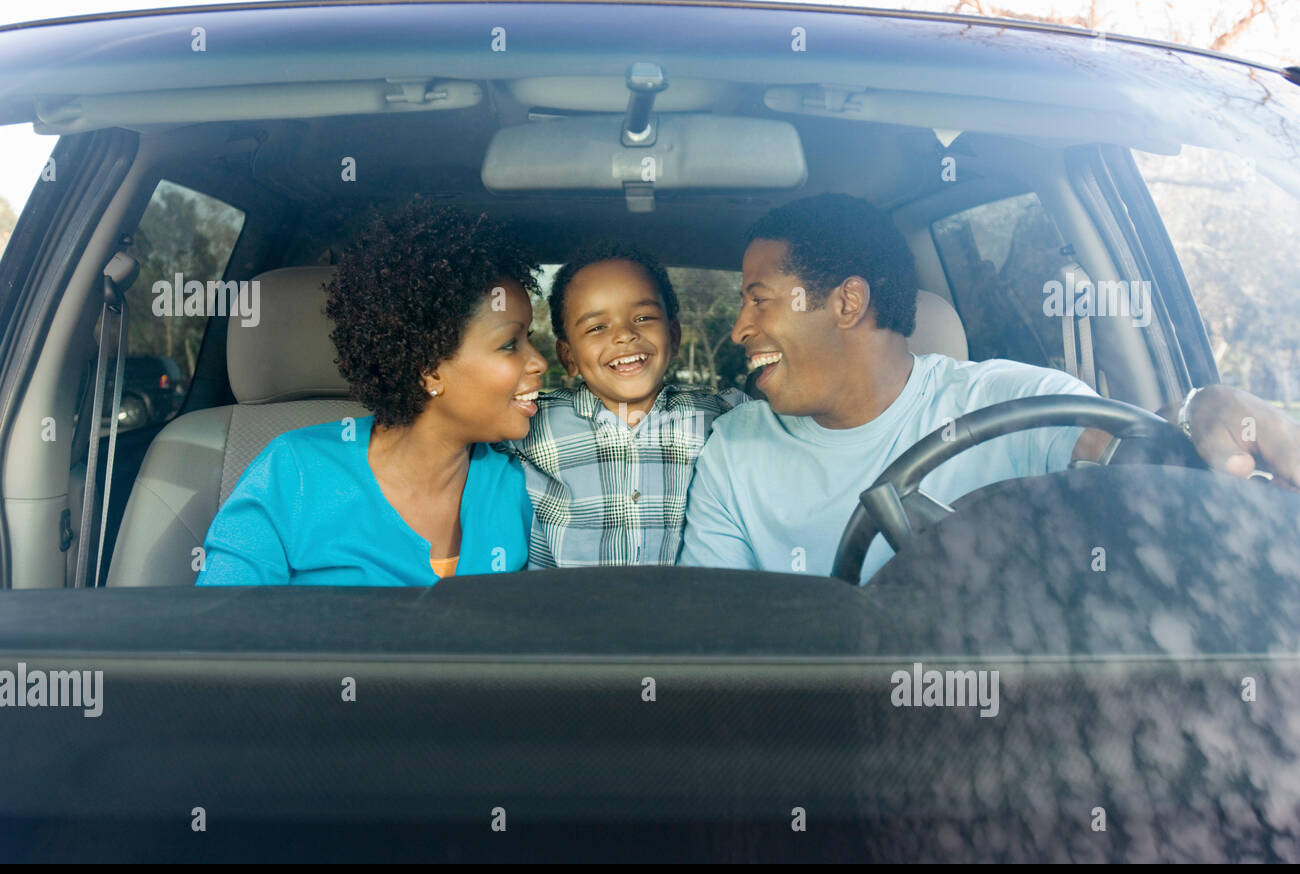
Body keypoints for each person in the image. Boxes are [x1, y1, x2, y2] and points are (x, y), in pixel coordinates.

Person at [679, 193, 1300, 582]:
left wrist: (1204, 408)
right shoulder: (735, 449)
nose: (738, 328)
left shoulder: (1010, 403)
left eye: (757, 301)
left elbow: (1130, 451)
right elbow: (717, 635)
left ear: (848, 303)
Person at [197, 201, 547, 585]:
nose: (539, 363)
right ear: (430, 369)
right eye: (510, 345)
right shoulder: (292, 473)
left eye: (528, 339)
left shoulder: (520, 482)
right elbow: (219, 629)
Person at [508, 243, 745, 567]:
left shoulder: (718, 416)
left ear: (673, 336)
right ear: (569, 357)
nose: (624, 335)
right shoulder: (534, 422)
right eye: (597, 327)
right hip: (560, 613)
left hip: (682, 613)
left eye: (644, 317)